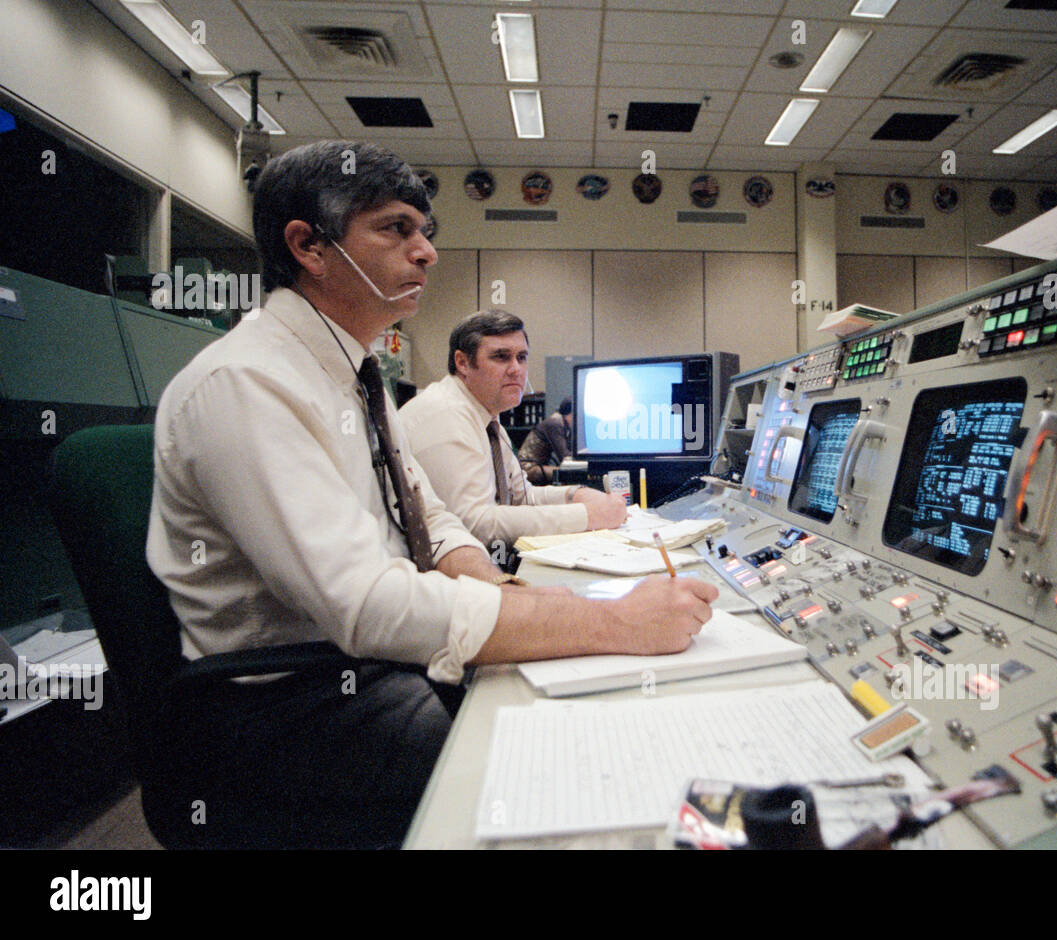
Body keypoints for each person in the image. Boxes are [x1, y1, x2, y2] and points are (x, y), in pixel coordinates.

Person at [146, 141, 716, 848]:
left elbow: (431, 520)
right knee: (546, 773)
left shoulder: (354, 376)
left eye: (426, 232)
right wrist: (613, 624)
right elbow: (364, 603)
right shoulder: (246, 385)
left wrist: (517, 597)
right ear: (308, 246)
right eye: (396, 229)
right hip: (288, 704)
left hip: (362, 665)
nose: (427, 252)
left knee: (572, 698)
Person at [399, 311, 628, 551]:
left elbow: (522, 497)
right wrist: (587, 516)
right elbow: (474, 524)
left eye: (521, 357)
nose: (516, 369)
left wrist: (575, 495)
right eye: (501, 357)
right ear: (463, 362)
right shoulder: (444, 414)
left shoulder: (488, 418)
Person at [518, 397, 573, 486]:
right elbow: (564, 455)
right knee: (565, 474)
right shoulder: (555, 423)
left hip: (534, 465)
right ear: (571, 413)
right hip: (528, 467)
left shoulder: (560, 422)